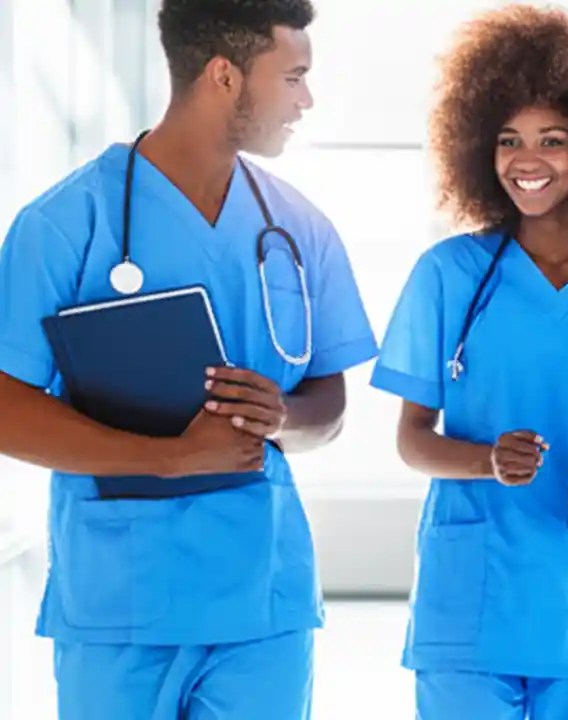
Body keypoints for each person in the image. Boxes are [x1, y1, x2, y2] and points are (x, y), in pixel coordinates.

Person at [0, 1, 378, 718]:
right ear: (225, 76)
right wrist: (170, 457)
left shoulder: (299, 229)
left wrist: (282, 414)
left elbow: (327, 407)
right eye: (293, 77)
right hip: (120, 608)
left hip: (262, 606)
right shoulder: (65, 225)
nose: (307, 100)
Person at [368, 5, 568, 719]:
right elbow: (411, 438)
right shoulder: (449, 275)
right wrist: (487, 459)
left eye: (553, 140)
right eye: (509, 140)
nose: (527, 160)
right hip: (470, 610)